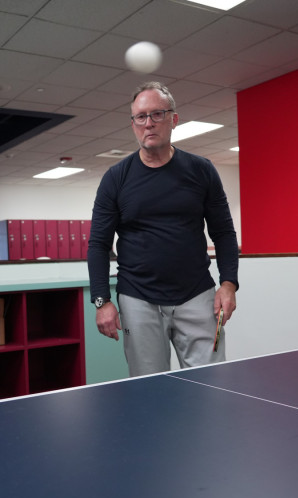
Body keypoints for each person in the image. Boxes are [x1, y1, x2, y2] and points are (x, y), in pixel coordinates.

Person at [87, 81, 239, 377]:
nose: (148, 123)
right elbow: (98, 244)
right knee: (149, 390)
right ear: (133, 124)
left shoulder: (202, 170)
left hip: (197, 296)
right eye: (140, 117)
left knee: (212, 385)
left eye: (157, 114)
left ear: (174, 119)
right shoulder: (116, 178)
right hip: (138, 299)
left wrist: (228, 283)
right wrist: (102, 301)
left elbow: (223, 231)